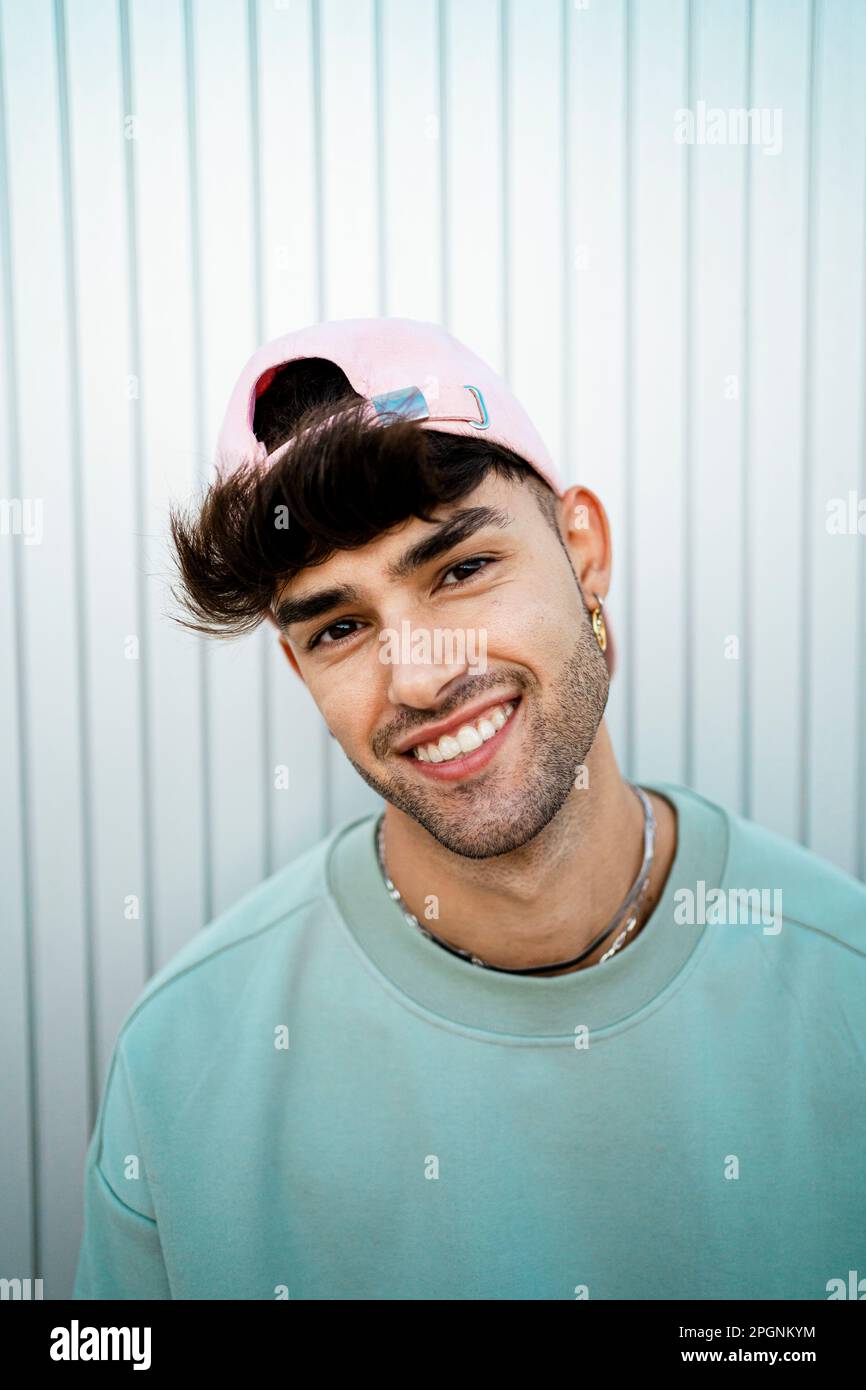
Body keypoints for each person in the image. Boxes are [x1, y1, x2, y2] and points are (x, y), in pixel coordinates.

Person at [74, 316, 866, 1300]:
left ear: (581, 550)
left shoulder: (847, 985)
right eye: (340, 626)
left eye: (459, 569)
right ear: (296, 665)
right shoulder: (183, 1062)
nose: (417, 677)